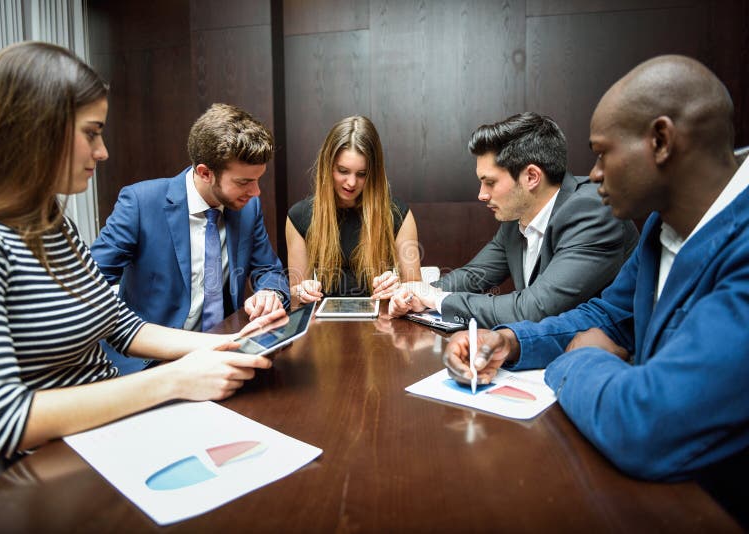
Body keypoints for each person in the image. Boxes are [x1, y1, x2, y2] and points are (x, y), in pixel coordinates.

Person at [444, 55, 749, 526]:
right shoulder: (659, 229)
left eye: (603, 153)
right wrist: (508, 342)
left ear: (662, 141)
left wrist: (580, 359)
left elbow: (648, 424)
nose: (595, 174)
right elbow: (608, 317)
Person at [0, 41, 285, 460]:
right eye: (91, 133)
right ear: (33, 131)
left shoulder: (57, 226)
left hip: (111, 432)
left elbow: (123, 328)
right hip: (60, 461)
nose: (103, 151)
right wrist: (173, 381)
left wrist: (227, 343)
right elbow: (5, 420)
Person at [90, 103, 289, 373]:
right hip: (151, 363)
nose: (256, 193)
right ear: (205, 173)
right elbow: (90, 286)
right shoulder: (141, 203)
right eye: (244, 182)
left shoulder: (247, 209)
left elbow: (269, 268)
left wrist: (270, 292)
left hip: (223, 353)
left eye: (258, 180)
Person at [389, 112, 638, 327]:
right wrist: (414, 293)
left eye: (490, 182)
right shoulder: (515, 219)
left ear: (531, 177)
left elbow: (534, 309)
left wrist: (436, 299)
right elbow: (474, 276)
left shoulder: (593, 211)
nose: (481, 194)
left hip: (605, 359)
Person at [286, 116, 421, 303]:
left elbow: (416, 289)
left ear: (373, 173)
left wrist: (400, 290)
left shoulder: (398, 214)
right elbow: (295, 293)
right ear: (328, 166)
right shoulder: (299, 216)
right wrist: (302, 291)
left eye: (362, 174)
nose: (351, 183)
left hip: (382, 325)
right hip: (325, 328)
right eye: (342, 171)